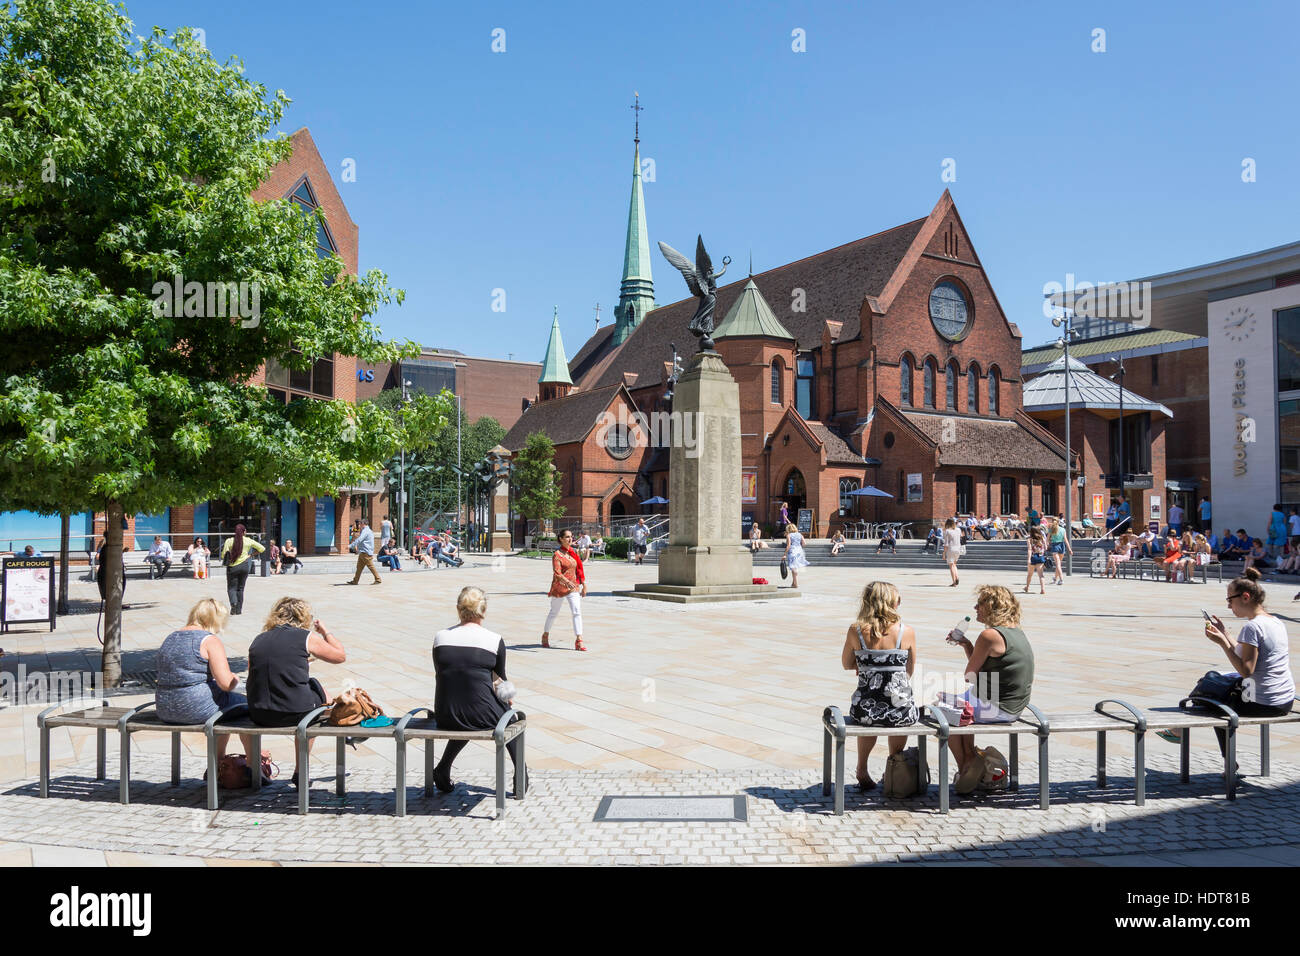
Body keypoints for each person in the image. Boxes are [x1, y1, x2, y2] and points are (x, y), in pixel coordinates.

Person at [1159, 569, 1295, 761]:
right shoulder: (1275, 621)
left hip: (1264, 702)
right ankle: (1178, 731)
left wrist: (1222, 643)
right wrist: (1225, 634)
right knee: (1212, 680)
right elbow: (1246, 652)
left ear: (1245, 597)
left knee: (1210, 700)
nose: (1229, 605)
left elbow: (1247, 671)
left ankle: (1228, 763)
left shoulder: (1252, 627)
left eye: (1230, 600)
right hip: (1284, 699)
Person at [430, 586, 527, 795]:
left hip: (446, 714)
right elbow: (500, 679)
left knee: (467, 710)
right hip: (478, 714)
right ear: (483, 610)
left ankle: (443, 768)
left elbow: (445, 673)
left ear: (458, 609)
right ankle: (521, 774)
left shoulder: (440, 637)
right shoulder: (494, 640)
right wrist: (507, 700)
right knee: (510, 717)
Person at [944, 585, 1035, 795]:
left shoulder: (989, 635)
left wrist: (971, 649)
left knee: (943, 712)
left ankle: (967, 765)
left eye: (981, 603)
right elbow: (983, 673)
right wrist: (967, 645)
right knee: (954, 702)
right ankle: (970, 761)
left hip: (998, 706)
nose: (976, 607)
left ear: (992, 607)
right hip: (1013, 704)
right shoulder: (1015, 632)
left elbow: (970, 676)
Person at [246, 597, 346, 779]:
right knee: (319, 693)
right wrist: (326, 632)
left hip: (258, 712)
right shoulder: (305, 637)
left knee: (314, 688)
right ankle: (301, 769)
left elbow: (255, 669)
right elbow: (340, 656)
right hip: (294, 712)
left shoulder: (258, 639)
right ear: (303, 617)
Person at [156, 598, 255, 761]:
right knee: (247, 707)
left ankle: (218, 764)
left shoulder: (170, 638)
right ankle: (250, 765)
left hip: (165, 708)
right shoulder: (209, 640)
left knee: (226, 706)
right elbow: (226, 684)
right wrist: (235, 679)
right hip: (195, 708)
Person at [841, 581, 918, 790]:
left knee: (868, 712)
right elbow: (908, 671)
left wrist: (866, 664)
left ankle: (862, 769)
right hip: (899, 709)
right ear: (892, 602)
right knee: (900, 708)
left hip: (865, 706)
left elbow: (846, 663)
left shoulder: (856, 630)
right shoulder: (907, 631)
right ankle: (893, 766)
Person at [541, 528, 586, 651]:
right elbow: (557, 573)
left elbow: (579, 569)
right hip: (559, 587)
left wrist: (583, 584)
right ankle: (545, 635)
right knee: (554, 612)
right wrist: (566, 582)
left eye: (571, 536)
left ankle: (579, 640)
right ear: (561, 539)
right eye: (567, 537)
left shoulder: (573, 553)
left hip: (573, 587)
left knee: (576, 611)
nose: (570, 539)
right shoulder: (557, 555)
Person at [219, 524, 264, 614]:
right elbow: (262, 548)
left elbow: (223, 555)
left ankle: (234, 603)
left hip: (232, 567)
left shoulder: (229, 541)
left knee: (231, 588)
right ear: (244, 532)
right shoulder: (248, 540)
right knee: (241, 588)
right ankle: (239, 610)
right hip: (245, 566)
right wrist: (251, 555)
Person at [347, 519, 382, 585]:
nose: (359, 525)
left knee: (371, 566)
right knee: (359, 568)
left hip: (365, 552)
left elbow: (359, 540)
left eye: (360, 524)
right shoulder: (368, 530)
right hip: (363, 552)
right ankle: (355, 581)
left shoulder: (365, 531)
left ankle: (378, 579)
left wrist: (350, 546)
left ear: (363, 524)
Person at [95, 537, 127, 602]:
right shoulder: (104, 548)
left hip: (108, 573)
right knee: (120, 582)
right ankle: (116, 602)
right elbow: (100, 557)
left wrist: (122, 551)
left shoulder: (107, 549)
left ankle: (117, 601)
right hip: (108, 574)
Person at [1047, 517, 1072, 586]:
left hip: (1055, 546)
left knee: (1058, 564)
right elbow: (1066, 540)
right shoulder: (1063, 529)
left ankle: (1061, 579)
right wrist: (1069, 549)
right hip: (1062, 546)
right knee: (1059, 564)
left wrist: (1047, 545)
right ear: (1058, 522)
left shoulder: (1051, 529)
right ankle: (1055, 578)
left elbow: (1047, 539)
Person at [783, 522, 808, 588]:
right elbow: (804, 543)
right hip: (799, 551)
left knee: (793, 567)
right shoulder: (800, 534)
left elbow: (788, 545)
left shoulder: (789, 535)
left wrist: (784, 554)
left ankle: (795, 583)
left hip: (792, 551)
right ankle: (793, 583)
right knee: (795, 567)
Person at [1024, 526, 1047, 594]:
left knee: (1030, 574)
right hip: (1040, 556)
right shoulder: (1042, 538)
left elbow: (1029, 549)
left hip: (1033, 557)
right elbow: (1046, 547)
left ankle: (1027, 587)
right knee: (1041, 575)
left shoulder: (1029, 539)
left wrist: (1028, 559)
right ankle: (1042, 589)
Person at [942, 517, 962, 587]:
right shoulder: (959, 530)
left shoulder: (947, 531)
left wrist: (944, 553)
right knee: (954, 564)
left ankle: (954, 582)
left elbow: (946, 543)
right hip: (958, 549)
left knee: (951, 565)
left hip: (951, 549)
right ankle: (957, 577)